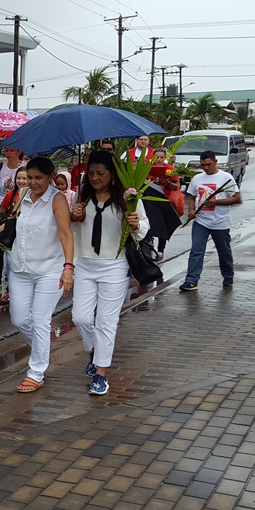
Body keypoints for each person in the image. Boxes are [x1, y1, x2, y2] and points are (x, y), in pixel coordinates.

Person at [69, 150, 148, 396]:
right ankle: (94, 350)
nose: (95, 178)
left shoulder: (128, 199)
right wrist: (75, 217)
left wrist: (135, 223)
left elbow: (143, 228)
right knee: (80, 317)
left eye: (101, 173)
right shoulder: (82, 198)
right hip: (85, 264)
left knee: (106, 321)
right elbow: (70, 231)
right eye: (91, 173)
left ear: (112, 174)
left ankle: (101, 373)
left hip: (114, 266)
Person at [8, 156, 75, 393]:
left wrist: (68, 268)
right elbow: (11, 226)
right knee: (19, 319)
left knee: (39, 319)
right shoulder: (23, 196)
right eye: (30, 178)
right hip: (20, 268)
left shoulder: (57, 199)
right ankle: (41, 347)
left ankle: (36, 372)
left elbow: (66, 234)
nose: (33, 182)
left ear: (51, 176)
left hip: (50, 270)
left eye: (39, 178)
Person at [179, 151, 241, 291]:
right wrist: (191, 211)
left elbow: (237, 198)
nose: (206, 168)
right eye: (203, 165)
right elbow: (192, 197)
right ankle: (191, 280)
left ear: (215, 161)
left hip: (220, 222)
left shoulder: (226, 178)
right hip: (201, 222)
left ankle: (228, 276)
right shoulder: (197, 179)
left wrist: (216, 202)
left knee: (223, 251)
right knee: (196, 250)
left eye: (208, 164)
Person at [0, 167, 28, 311]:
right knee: (9, 263)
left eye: (25, 178)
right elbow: (1, 211)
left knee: (18, 264)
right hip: (11, 234)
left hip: (26, 236)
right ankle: (10, 292)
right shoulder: (10, 195)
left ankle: (17, 292)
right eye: (19, 178)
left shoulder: (32, 196)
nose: (21, 181)